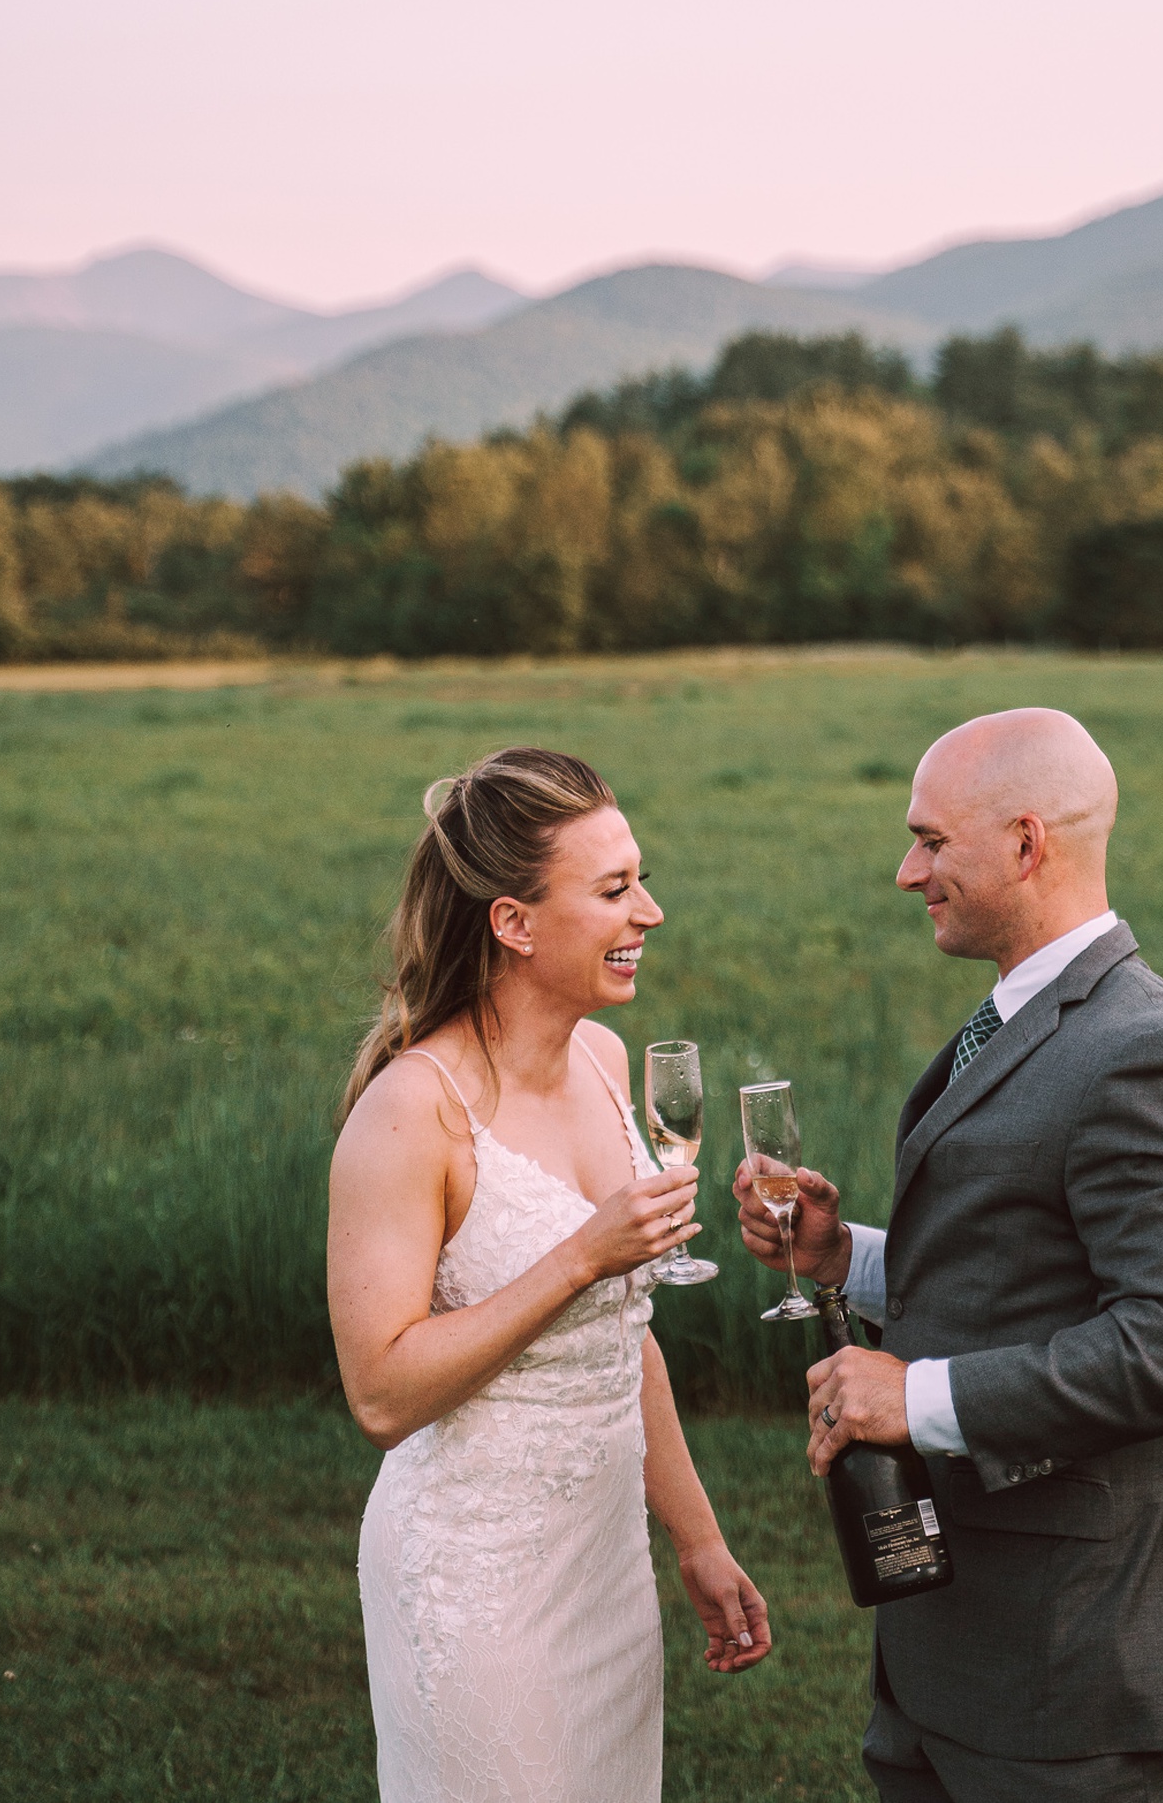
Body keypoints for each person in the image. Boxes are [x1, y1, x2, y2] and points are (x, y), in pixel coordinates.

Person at [735, 707, 1163, 1803]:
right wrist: (844, 1257)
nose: (904, 870)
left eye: (930, 840)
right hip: (949, 1637)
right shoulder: (1024, 1013)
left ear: (1025, 843)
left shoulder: (1148, 1051)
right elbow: (1014, 1267)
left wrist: (913, 1394)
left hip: (1063, 1659)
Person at [331, 745, 770, 1803]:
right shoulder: (411, 1111)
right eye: (615, 889)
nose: (650, 913)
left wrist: (699, 1540)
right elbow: (383, 1392)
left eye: (642, 879)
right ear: (515, 922)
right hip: (473, 1578)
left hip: (604, 1567)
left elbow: (625, 1334)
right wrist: (582, 1254)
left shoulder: (607, 1065)